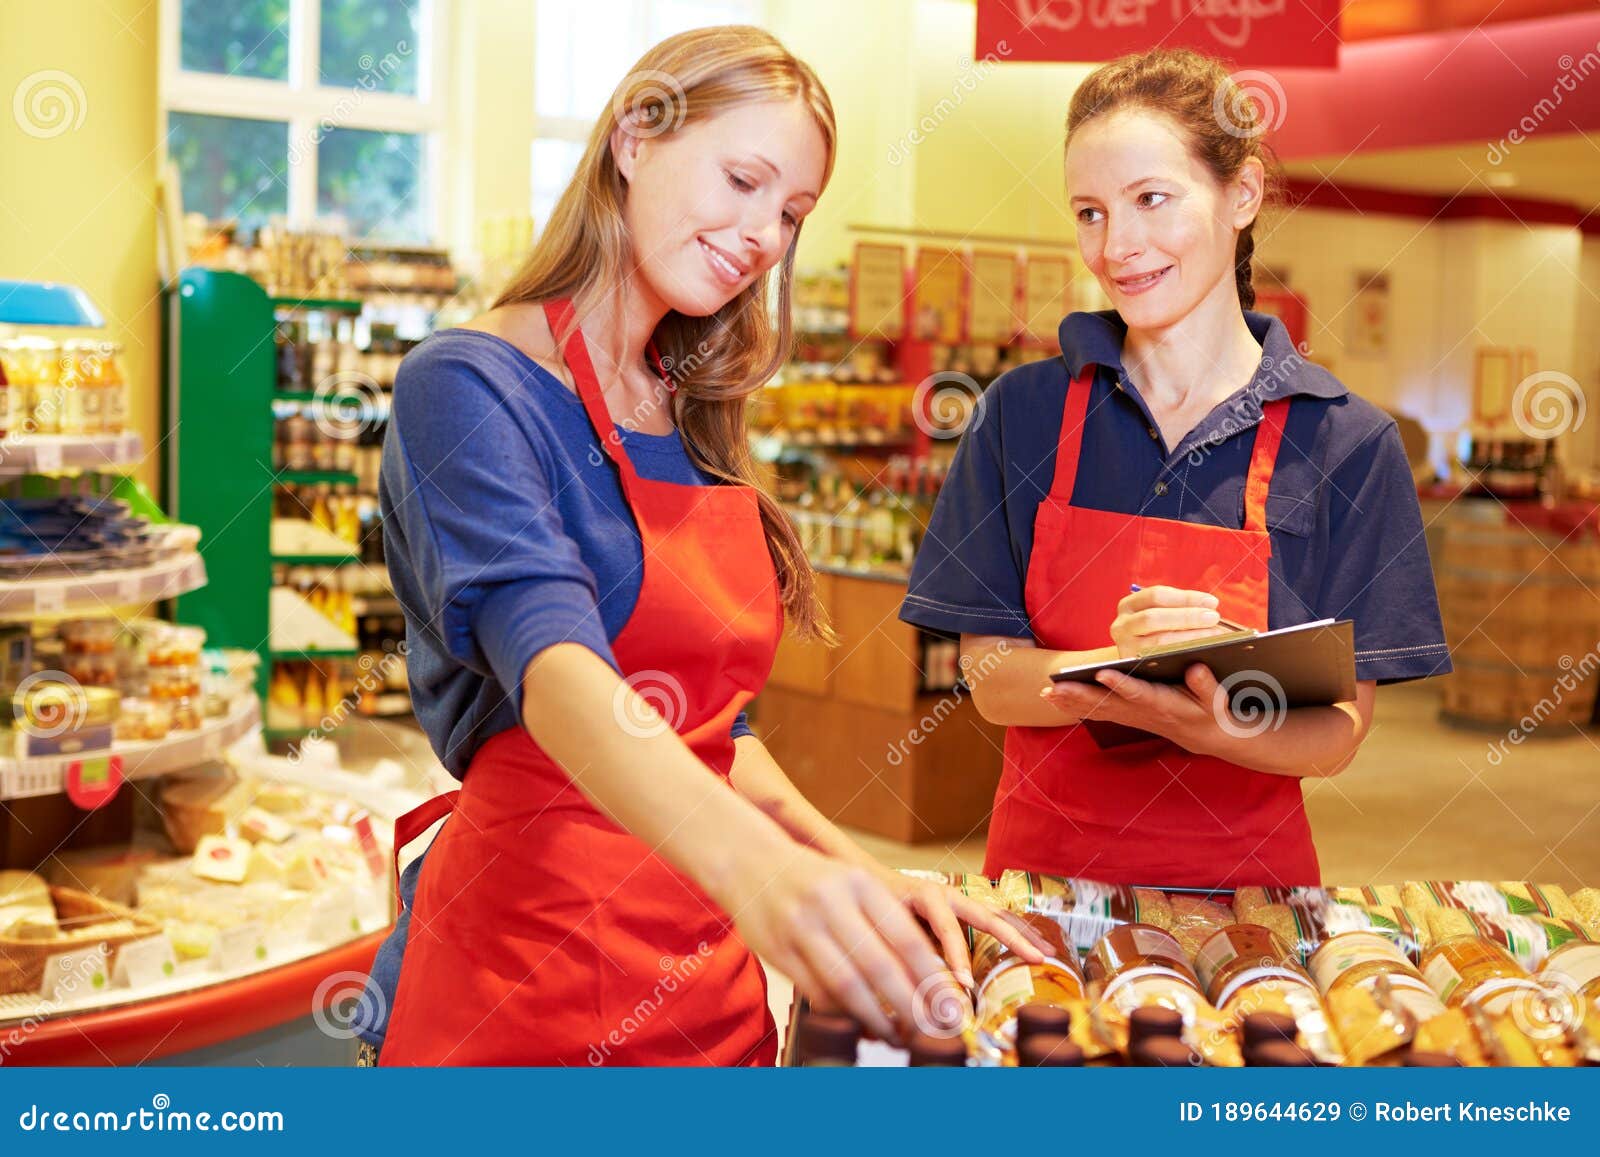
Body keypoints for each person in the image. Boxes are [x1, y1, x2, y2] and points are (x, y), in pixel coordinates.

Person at [357, 25, 1041, 1068]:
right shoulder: (467, 385)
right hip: (523, 973)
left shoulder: (688, 412)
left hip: (706, 975)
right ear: (635, 133)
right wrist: (761, 874)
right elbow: (558, 674)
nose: (763, 233)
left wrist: (852, 869)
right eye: (742, 178)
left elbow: (723, 736)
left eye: (791, 212)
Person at [900, 49, 1451, 888]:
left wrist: (1209, 717)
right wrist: (1112, 677)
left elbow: (1339, 729)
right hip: (1045, 891)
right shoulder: (1021, 413)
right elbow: (985, 673)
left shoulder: (1348, 443)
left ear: (1243, 194)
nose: (1117, 246)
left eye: (1151, 199)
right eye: (1090, 211)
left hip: (1250, 900)